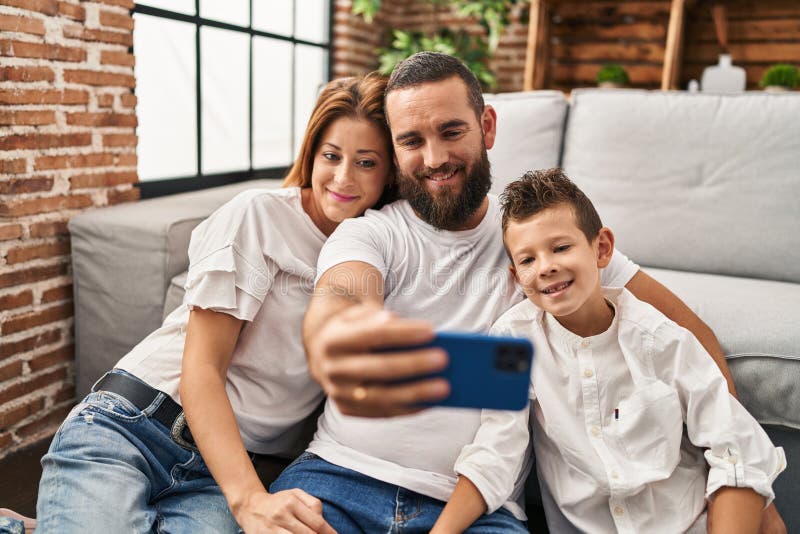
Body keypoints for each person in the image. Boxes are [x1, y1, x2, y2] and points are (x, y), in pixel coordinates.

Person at [295, 51, 786, 533]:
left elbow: (691, 336)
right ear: (396, 151)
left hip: (479, 509)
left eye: (451, 131)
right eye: (411, 141)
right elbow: (338, 313)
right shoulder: (369, 236)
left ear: (486, 126)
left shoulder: (538, 238)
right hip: (340, 478)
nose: (435, 158)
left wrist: (745, 482)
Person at [35, 73, 395, 533]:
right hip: (136, 426)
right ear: (312, 153)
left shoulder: (382, 246)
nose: (343, 177)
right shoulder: (260, 216)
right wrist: (249, 501)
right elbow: (202, 369)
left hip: (217, 472)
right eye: (332, 155)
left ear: (389, 173)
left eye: (366, 162)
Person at [489, 168, 786, 533]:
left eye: (561, 248)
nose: (547, 266)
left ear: (602, 248)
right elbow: (495, 448)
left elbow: (738, 449)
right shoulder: (514, 340)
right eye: (528, 259)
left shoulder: (658, 339)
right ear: (516, 276)